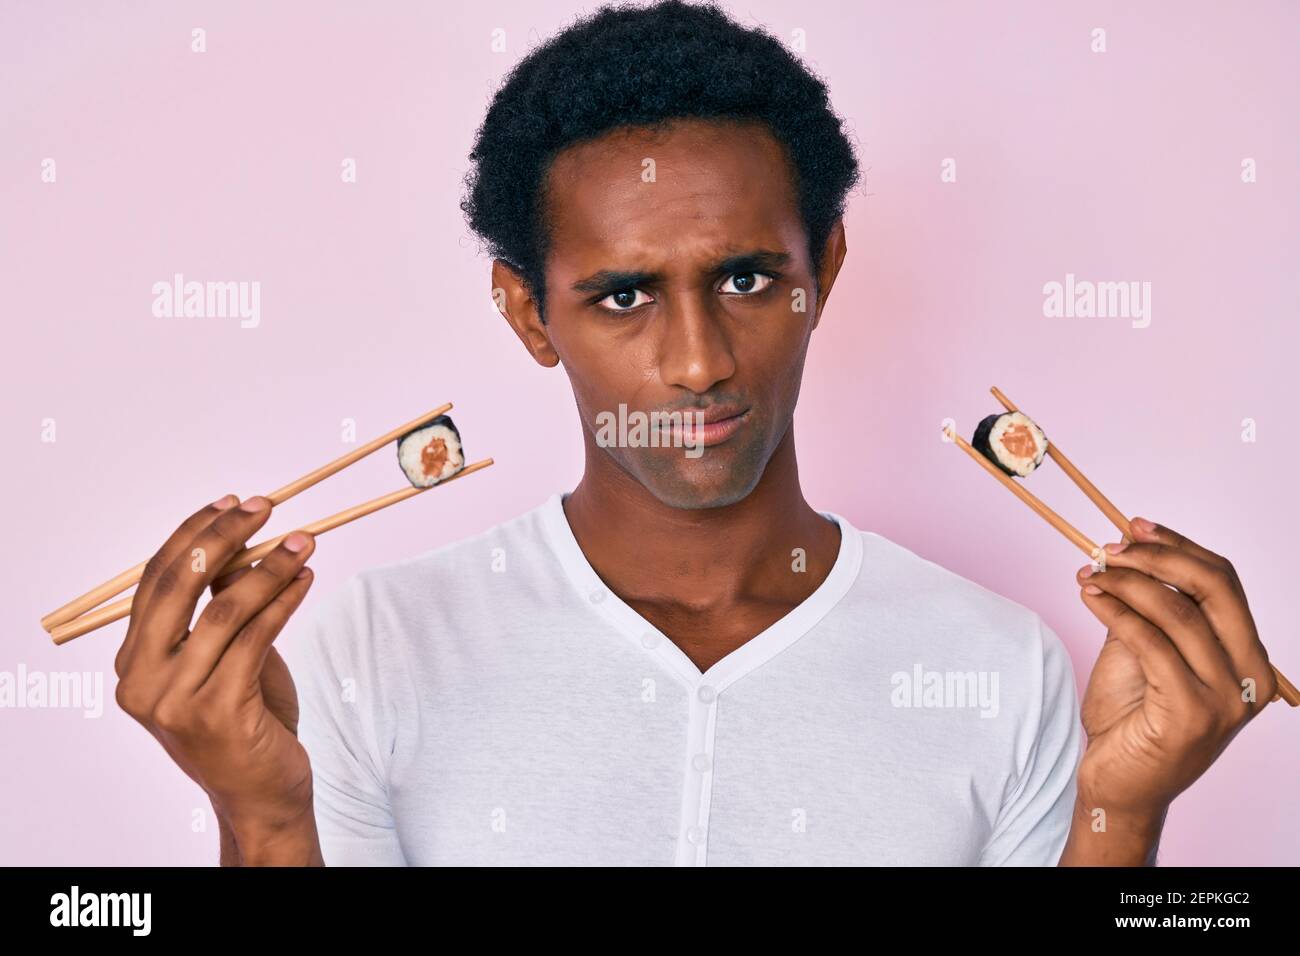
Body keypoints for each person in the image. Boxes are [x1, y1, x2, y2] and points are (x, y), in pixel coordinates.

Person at [113, 0, 1277, 866]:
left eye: (748, 279)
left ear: (824, 269)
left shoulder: (995, 664)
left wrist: (1121, 812)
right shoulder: (365, 652)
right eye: (623, 294)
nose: (698, 360)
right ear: (528, 312)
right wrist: (261, 814)